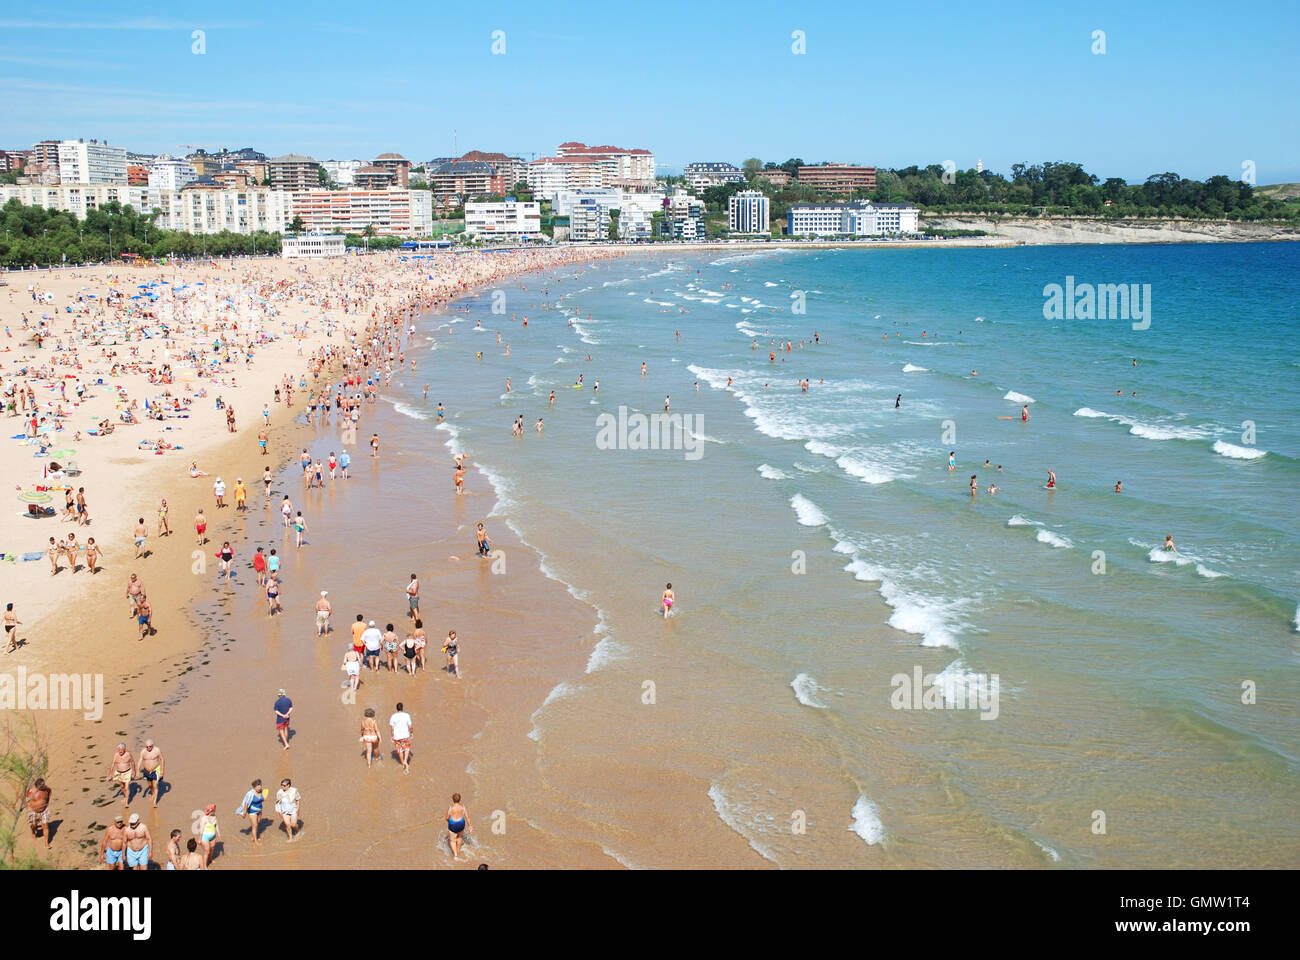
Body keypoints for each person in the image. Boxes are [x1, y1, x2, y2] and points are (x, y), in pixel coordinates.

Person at [105, 743, 137, 808]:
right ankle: (126, 796)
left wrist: (134, 772)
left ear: (124, 749)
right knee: (122, 787)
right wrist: (109, 775)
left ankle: (126, 803)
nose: (120, 751)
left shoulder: (128, 754)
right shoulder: (116, 755)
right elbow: (112, 764)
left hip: (127, 772)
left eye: (122, 749)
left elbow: (133, 762)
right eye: (119, 749)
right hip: (119, 773)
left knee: (126, 787)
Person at [237, 778, 267, 845]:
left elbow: (262, 800)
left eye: (260, 786)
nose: (259, 787)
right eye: (257, 786)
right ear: (254, 787)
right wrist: (244, 813)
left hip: (259, 810)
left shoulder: (262, 791)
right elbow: (246, 803)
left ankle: (253, 836)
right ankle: (255, 841)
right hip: (252, 811)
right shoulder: (250, 794)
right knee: (254, 826)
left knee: (258, 822)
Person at [25, 777, 51, 849]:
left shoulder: (47, 789)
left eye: (44, 784)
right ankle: (33, 832)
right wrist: (27, 807)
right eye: (42, 785)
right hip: (34, 811)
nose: (44, 786)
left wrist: (47, 803)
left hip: (44, 810)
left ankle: (46, 843)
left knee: (45, 826)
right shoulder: (31, 791)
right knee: (33, 825)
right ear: (37, 786)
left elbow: (50, 793)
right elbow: (22, 796)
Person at [446, 793, 472, 862]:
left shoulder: (451, 808)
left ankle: (455, 855)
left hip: (453, 824)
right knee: (459, 837)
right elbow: (467, 817)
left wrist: (449, 821)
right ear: (460, 799)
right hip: (461, 823)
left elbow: (447, 818)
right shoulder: (463, 807)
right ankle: (458, 850)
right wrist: (470, 826)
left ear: (453, 800)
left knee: (452, 840)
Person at [138, 738, 164, 807]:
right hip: (146, 771)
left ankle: (154, 802)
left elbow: (162, 759)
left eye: (150, 746)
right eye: (147, 747)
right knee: (150, 785)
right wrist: (137, 771)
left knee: (155, 785)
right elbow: (140, 761)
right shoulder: (143, 751)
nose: (148, 748)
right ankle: (153, 794)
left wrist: (162, 770)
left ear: (152, 745)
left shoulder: (157, 750)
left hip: (155, 770)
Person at [390, 702, 413, 774]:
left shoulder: (393, 716)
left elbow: (392, 728)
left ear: (396, 708)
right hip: (405, 735)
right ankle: (406, 760)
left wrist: (392, 736)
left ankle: (402, 763)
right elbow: (410, 726)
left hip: (397, 736)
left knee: (399, 750)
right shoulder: (407, 715)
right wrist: (411, 733)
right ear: (402, 708)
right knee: (406, 748)